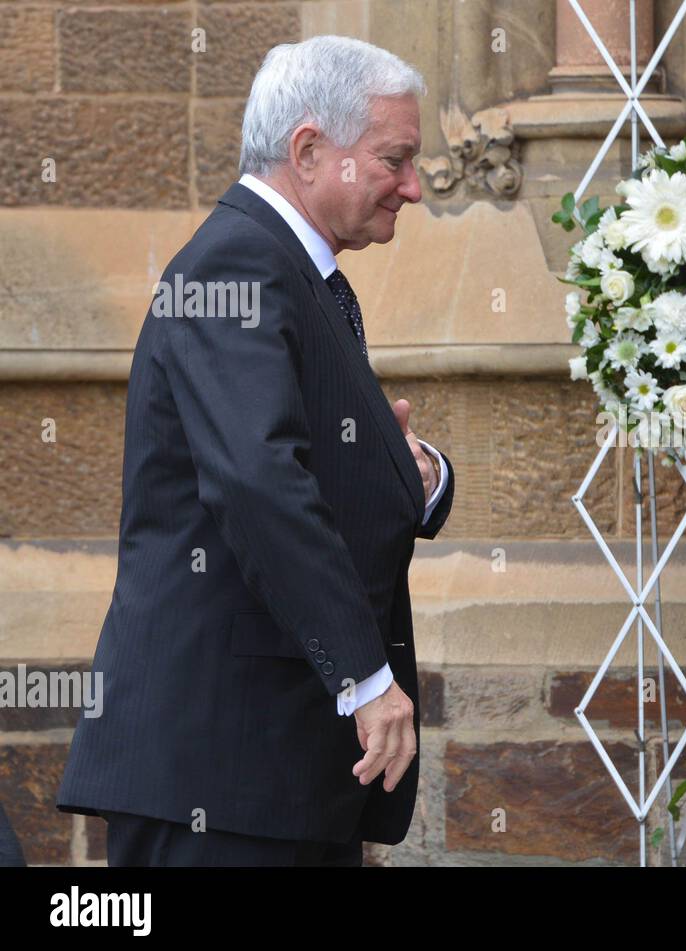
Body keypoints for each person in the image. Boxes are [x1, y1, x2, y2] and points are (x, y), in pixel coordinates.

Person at [55, 35, 453, 866]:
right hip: (222, 769)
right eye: (394, 159)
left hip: (271, 775)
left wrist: (414, 473)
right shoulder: (240, 260)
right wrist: (366, 678)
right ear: (310, 150)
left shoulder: (291, 269)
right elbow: (258, 482)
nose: (413, 187)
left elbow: (287, 462)